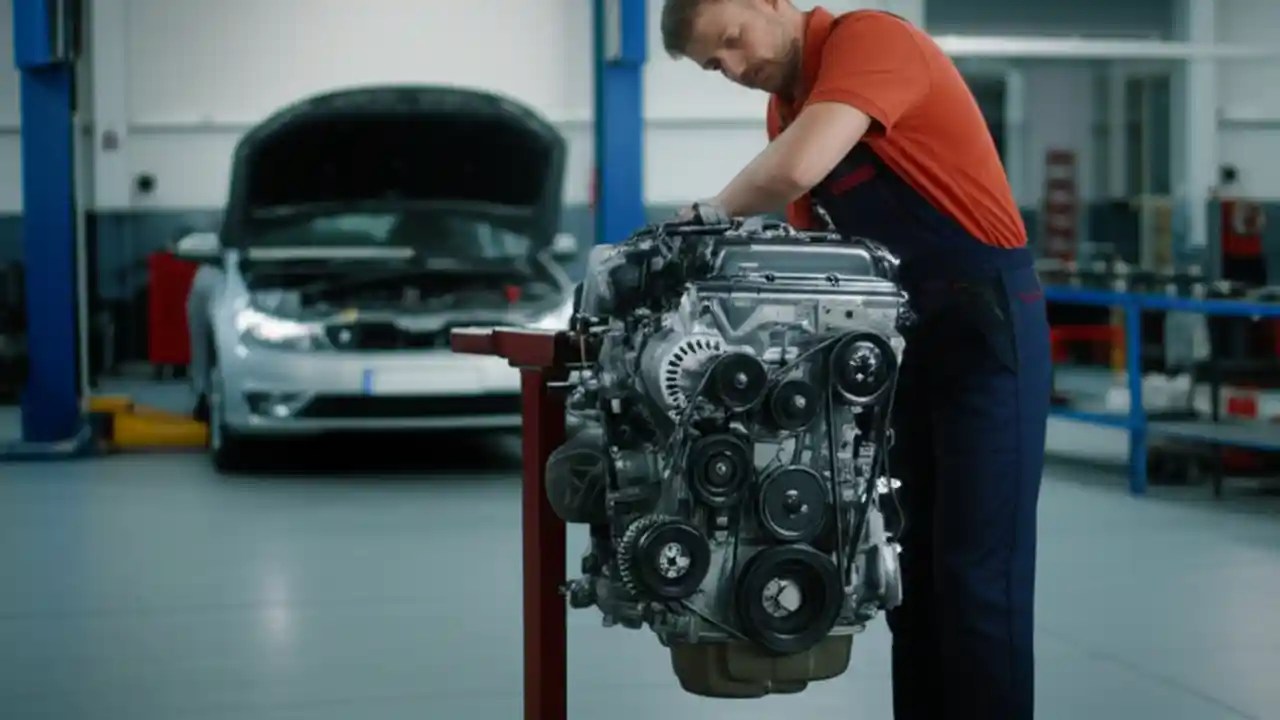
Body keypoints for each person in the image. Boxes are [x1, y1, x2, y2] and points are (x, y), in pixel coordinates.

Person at [660, 1, 1052, 718]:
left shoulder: (870, 41)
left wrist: (708, 214)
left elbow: (798, 167)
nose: (737, 69)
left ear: (770, 3)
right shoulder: (787, 109)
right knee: (912, 577)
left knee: (977, 575)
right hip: (901, 348)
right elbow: (826, 262)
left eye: (734, 41)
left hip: (985, 330)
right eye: (716, 66)